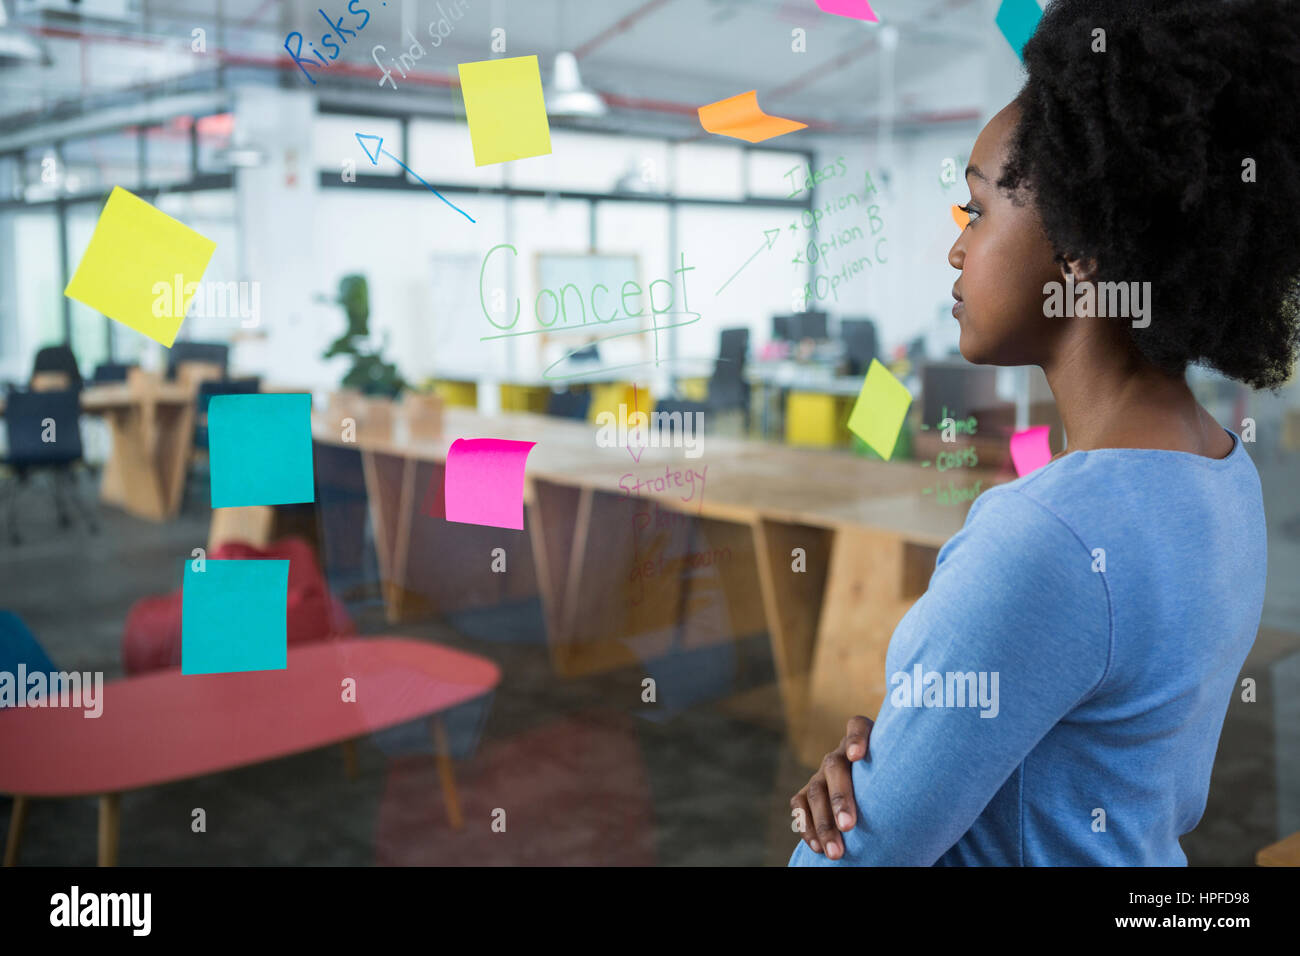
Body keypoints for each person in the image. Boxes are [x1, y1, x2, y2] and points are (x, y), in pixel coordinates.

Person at [789, 0, 1300, 866]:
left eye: (978, 211)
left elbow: (855, 860)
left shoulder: (1046, 538)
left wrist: (858, 810)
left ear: (1083, 251)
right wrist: (902, 764)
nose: (956, 251)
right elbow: (1133, 776)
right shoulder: (1222, 473)